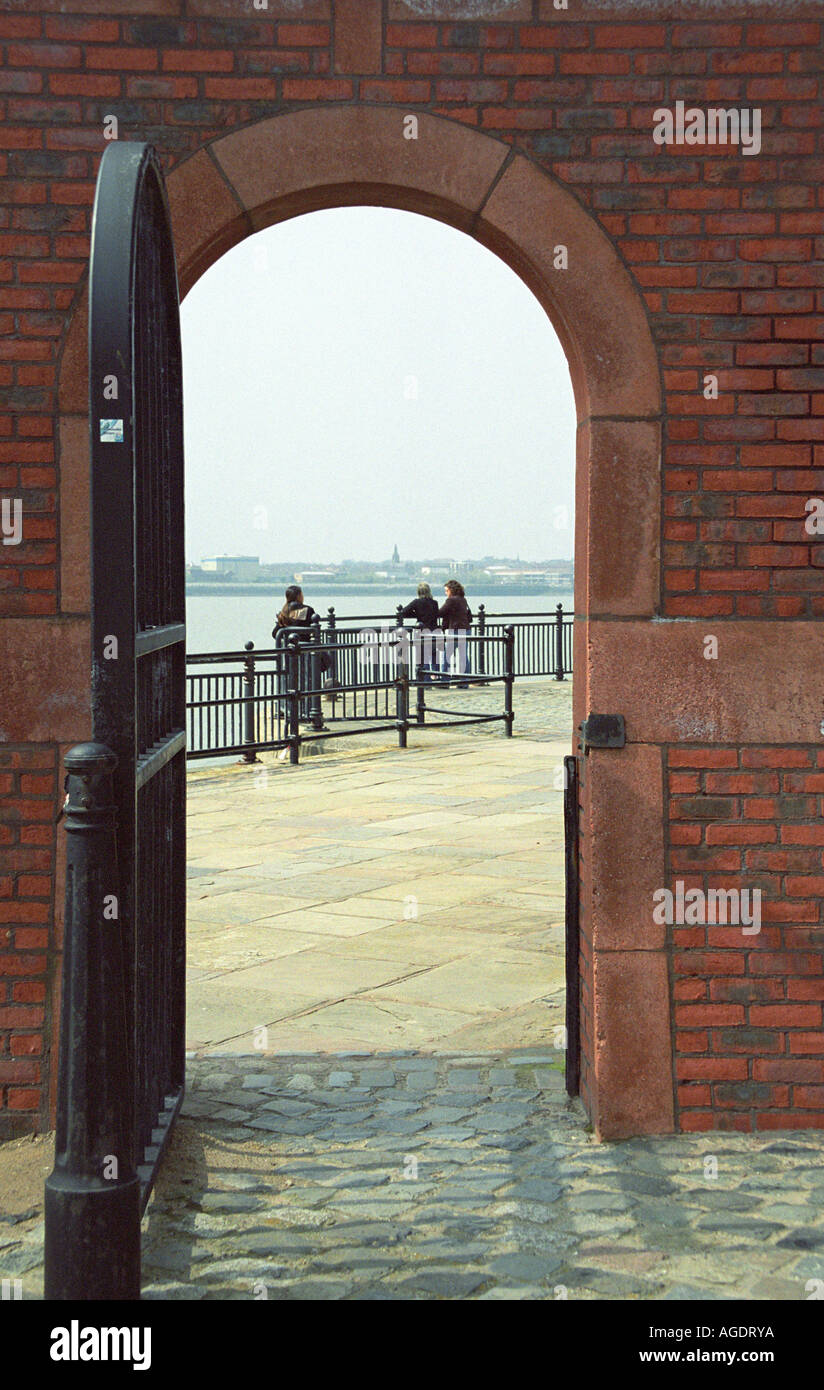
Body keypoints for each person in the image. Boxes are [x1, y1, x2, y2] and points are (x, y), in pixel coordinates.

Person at [399, 582, 439, 682]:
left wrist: (416, 614)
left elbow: (403, 612)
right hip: (434, 631)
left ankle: (425, 680)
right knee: (434, 656)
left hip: (422, 632)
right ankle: (437, 678)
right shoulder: (435, 603)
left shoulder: (417, 602)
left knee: (422, 656)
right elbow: (436, 615)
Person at [439, 579, 472, 688]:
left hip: (455, 630)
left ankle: (444, 681)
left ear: (451, 590)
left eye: (446, 590)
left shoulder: (451, 600)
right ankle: (464, 681)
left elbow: (441, 612)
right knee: (463, 656)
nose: (446, 593)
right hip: (465, 629)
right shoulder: (463, 599)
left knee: (446, 656)